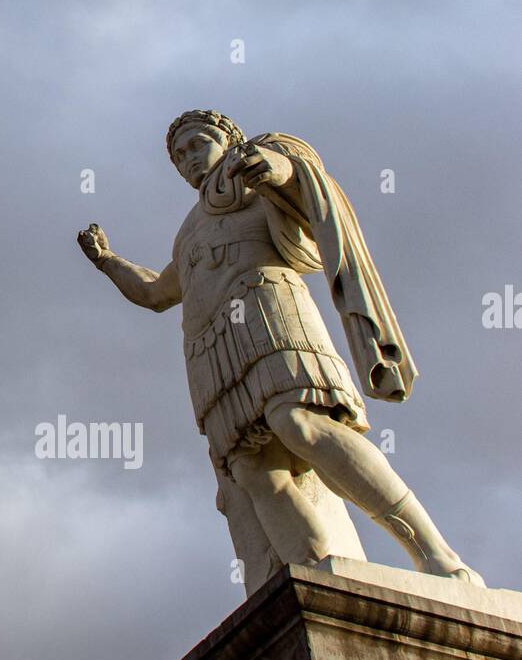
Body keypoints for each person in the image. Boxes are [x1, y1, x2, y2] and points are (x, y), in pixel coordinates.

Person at [77, 109, 482, 590]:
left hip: (268, 313)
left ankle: (435, 554)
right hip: (209, 348)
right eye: (178, 155)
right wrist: (107, 262)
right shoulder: (189, 230)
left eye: (196, 144)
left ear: (227, 139)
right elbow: (157, 293)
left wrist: (276, 169)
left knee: (300, 422)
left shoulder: (252, 171)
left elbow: (302, 184)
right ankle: (317, 578)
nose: (187, 159)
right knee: (253, 469)